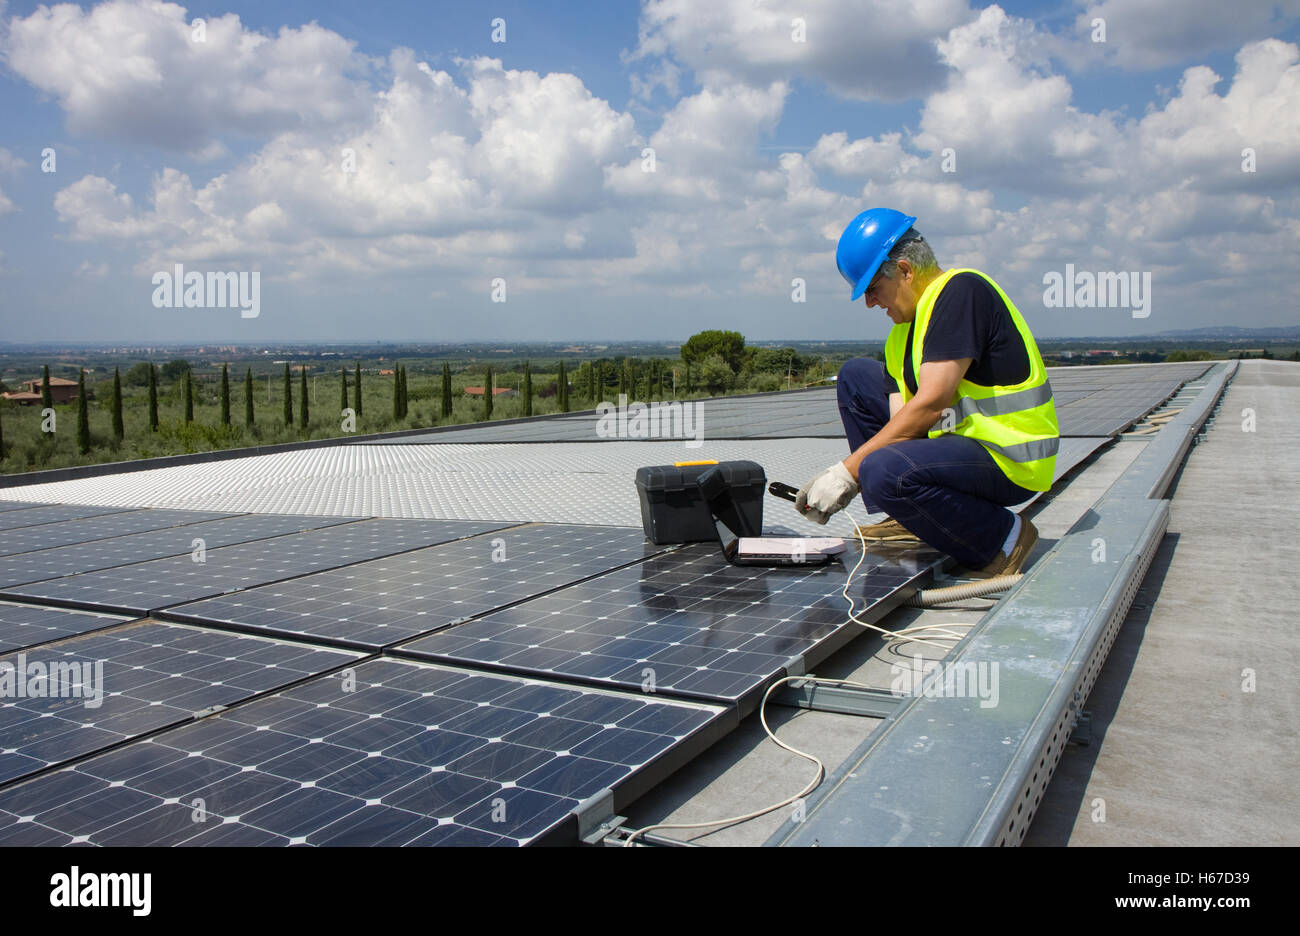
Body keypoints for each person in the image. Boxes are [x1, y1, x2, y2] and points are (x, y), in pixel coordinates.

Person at [795, 208, 1059, 577]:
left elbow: (932, 402)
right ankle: (910, 517)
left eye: (872, 289)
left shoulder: (960, 292)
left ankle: (1004, 538)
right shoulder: (900, 335)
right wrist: (855, 473)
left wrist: (846, 474)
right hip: (960, 450)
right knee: (854, 377)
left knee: (881, 469)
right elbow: (903, 421)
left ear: (904, 270)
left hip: (1010, 458)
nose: (870, 303)